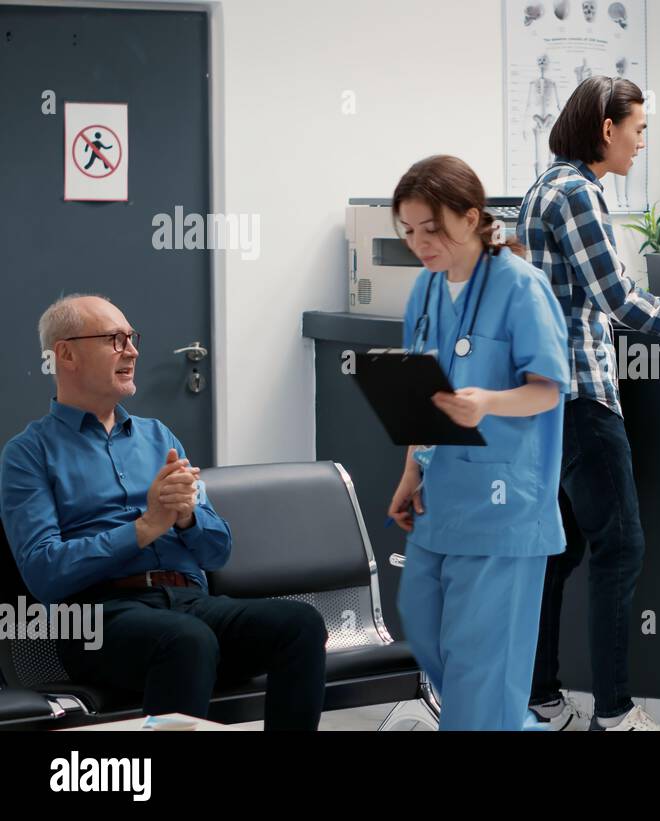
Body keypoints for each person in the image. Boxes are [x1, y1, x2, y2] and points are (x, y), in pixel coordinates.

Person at [0, 295, 327, 729]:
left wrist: (188, 517)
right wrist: (145, 527)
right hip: (98, 620)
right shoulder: (28, 454)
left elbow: (217, 552)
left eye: (131, 338)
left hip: (189, 603)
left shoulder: (159, 437)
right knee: (186, 641)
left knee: (300, 624)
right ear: (66, 354)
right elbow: (44, 572)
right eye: (114, 340)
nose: (132, 351)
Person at [517, 75, 660, 731]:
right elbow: (618, 299)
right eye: (638, 129)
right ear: (607, 128)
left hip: (550, 399)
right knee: (620, 548)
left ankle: (542, 698)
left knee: (558, 553)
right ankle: (613, 714)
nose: (642, 142)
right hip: (582, 396)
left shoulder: (545, 186)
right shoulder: (579, 193)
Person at [387, 155, 570, 731]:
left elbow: (547, 391)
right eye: (408, 231)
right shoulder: (425, 289)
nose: (419, 244)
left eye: (431, 229)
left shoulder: (521, 287)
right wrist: (411, 469)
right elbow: (424, 390)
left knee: (482, 671)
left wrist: (488, 401)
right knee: (425, 629)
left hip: (505, 507)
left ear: (470, 218)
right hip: (441, 499)